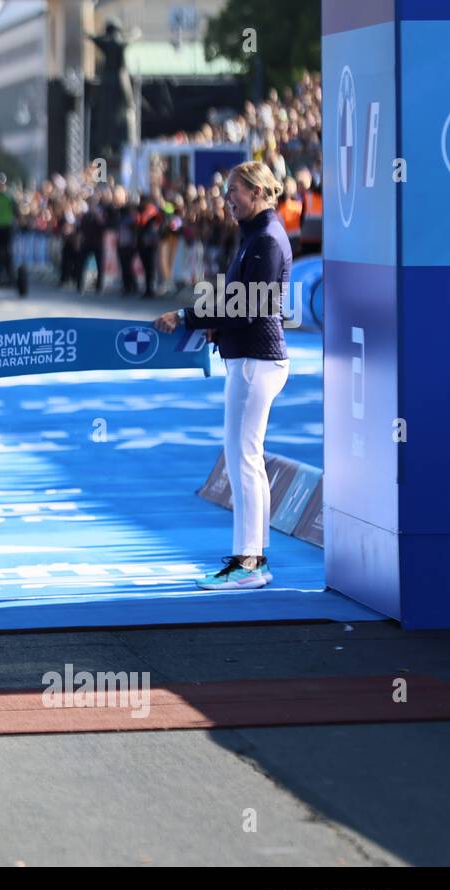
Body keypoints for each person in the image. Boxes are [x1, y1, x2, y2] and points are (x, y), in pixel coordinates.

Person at [154, 161, 291, 590]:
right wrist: (211, 322)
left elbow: (251, 307)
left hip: (256, 360)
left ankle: (248, 564)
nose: (226, 199)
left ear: (256, 191)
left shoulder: (266, 240)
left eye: (233, 190)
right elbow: (242, 303)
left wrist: (187, 316)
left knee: (243, 461)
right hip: (249, 356)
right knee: (246, 459)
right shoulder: (255, 235)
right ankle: (255, 558)